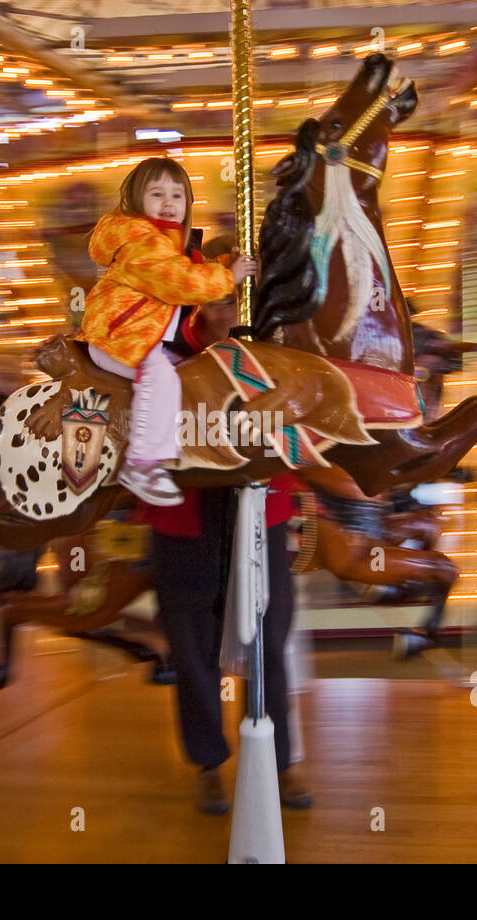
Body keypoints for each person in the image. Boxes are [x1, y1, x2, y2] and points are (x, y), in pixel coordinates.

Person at [143, 265, 311, 815]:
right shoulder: (165, 356)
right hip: (189, 518)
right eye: (214, 300)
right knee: (193, 649)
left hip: (260, 511)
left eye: (234, 299)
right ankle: (208, 764)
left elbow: (296, 430)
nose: (225, 312)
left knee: (269, 637)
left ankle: (278, 761)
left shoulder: (268, 354)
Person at [80, 157, 256, 506]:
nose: (168, 203)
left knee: (183, 374)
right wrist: (228, 278)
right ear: (135, 202)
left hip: (135, 336)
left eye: (177, 195)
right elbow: (180, 281)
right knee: (163, 378)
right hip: (121, 336)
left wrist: (223, 265)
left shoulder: (162, 243)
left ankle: (174, 446)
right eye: (157, 194)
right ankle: (141, 463)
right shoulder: (142, 242)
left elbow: (185, 268)